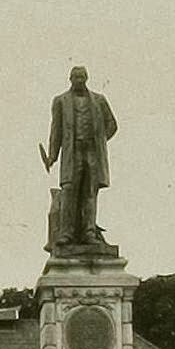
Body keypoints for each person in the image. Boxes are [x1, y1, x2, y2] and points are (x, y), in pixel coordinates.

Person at [45, 65, 118, 247]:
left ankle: (89, 232)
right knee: (69, 191)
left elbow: (112, 124)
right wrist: (52, 156)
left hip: (92, 152)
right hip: (73, 151)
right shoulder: (61, 101)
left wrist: (99, 141)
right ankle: (66, 233)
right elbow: (56, 132)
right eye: (76, 77)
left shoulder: (99, 100)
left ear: (87, 78)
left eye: (82, 77)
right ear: (70, 79)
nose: (79, 80)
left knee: (90, 192)